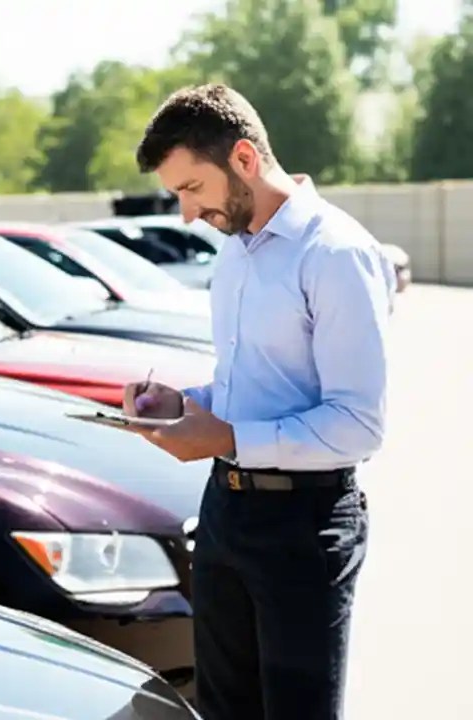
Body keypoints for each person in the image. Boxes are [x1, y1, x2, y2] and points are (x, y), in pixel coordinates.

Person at [122, 83, 395, 720]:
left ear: (243, 159)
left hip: (305, 528)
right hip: (226, 515)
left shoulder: (336, 253)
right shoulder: (238, 249)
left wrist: (228, 437)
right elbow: (252, 383)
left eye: (191, 189)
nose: (186, 214)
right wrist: (183, 402)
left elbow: (360, 423)